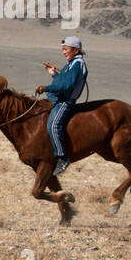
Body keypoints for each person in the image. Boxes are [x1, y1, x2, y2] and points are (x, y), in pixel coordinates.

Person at [35, 35, 88, 176]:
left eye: (66, 49)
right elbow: (62, 82)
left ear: (76, 50)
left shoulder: (77, 64)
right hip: (58, 98)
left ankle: (62, 158)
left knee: (53, 125)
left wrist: (46, 88)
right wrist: (54, 75)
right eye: (63, 49)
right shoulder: (70, 64)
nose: (63, 52)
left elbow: (66, 85)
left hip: (65, 101)